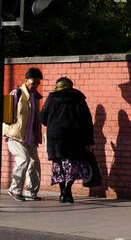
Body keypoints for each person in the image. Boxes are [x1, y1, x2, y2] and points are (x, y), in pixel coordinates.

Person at [39, 76, 94, 204]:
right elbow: (87, 120)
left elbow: (43, 118)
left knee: (59, 165)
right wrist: (89, 141)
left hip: (55, 137)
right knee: (73, 165)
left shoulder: (52, 98)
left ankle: (62, 191)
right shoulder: (79, 98)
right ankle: (68, 189)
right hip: (74, 137)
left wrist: (52, 123)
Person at [3, 67, 43, 202]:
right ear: (26, 80)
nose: (35, 86)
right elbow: (6, 114)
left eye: (38, 83)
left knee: (34, 162)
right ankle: (14, 189)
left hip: (30, 137)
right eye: (33, 83)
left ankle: (31, 192)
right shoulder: (17, 93)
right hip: (15, 135)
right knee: (24, 159)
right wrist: (10, 130)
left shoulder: (35, 97)